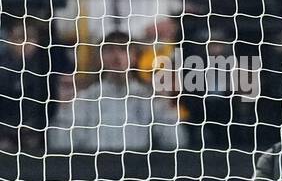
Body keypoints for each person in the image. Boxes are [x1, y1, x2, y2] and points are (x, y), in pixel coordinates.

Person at [45, 32, 183, 154]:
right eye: (109, 50)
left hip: (136, 175)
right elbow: (59, 146)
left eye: (123, 50)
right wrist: (64, 108)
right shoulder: (86, 98)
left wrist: (166, 105)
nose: (116, 56)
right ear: (100, 58)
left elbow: (176, 144)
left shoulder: (148, 97)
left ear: (134, 57)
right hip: (93, 174)